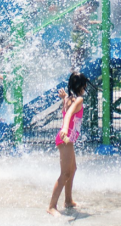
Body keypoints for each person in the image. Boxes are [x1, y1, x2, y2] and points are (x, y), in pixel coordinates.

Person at [47, 72, 90, 217]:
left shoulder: (69, 99)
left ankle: (68, 200)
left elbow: (67, 106)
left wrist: (64, 97)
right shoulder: (78, 100)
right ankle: (51, 206)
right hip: (65, 139)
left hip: (67, 140)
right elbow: (70, 113)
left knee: (72, 169)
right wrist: (65, 128)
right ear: (83, 86)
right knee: (65, 173)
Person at [70, 0, 100, 70]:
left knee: (82, 50)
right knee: (77, 50)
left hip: (81, 33)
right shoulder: (79, 10)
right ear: (90, 5)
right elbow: (74, 22)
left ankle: (79, 66)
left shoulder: (86, 11)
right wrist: (83, 28)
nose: (94, 10)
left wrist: (95, 22)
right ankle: (73, 67)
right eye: (94, 8)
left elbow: (86, 22)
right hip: (76, 33)